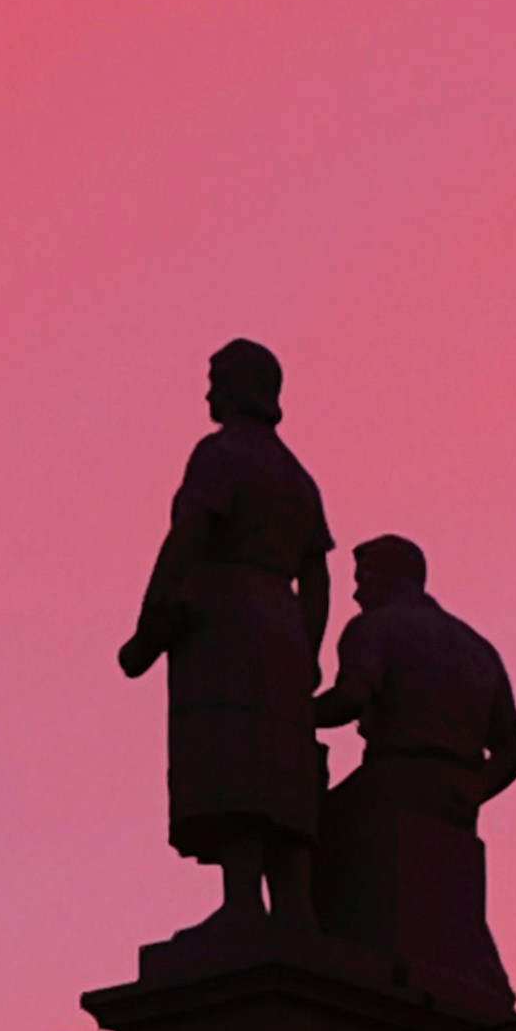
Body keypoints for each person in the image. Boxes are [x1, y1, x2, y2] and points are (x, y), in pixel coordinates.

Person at [118, 341, 332, 943]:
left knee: (236, 752)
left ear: (243, 385)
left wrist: (149, 618)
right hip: (283, 623)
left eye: (217, 379)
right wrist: (309, 644)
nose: (209, 391)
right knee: (283, 761)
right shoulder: (297, 476)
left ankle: (243, 903)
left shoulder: (219, 455)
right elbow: (317, 574)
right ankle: (294, 907)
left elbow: (189, 535)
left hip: (227, 618)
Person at [315, 532, 516, 1015]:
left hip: (395, 779)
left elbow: (351, 699)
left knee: (308, 830)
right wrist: (474, 791)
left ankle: (328, 961)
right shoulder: (478, 649)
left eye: (362, 577)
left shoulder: (373, 628)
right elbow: (513, 751)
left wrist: (290, 711)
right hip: (456, 795)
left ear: (389, 576)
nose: (355, 592)